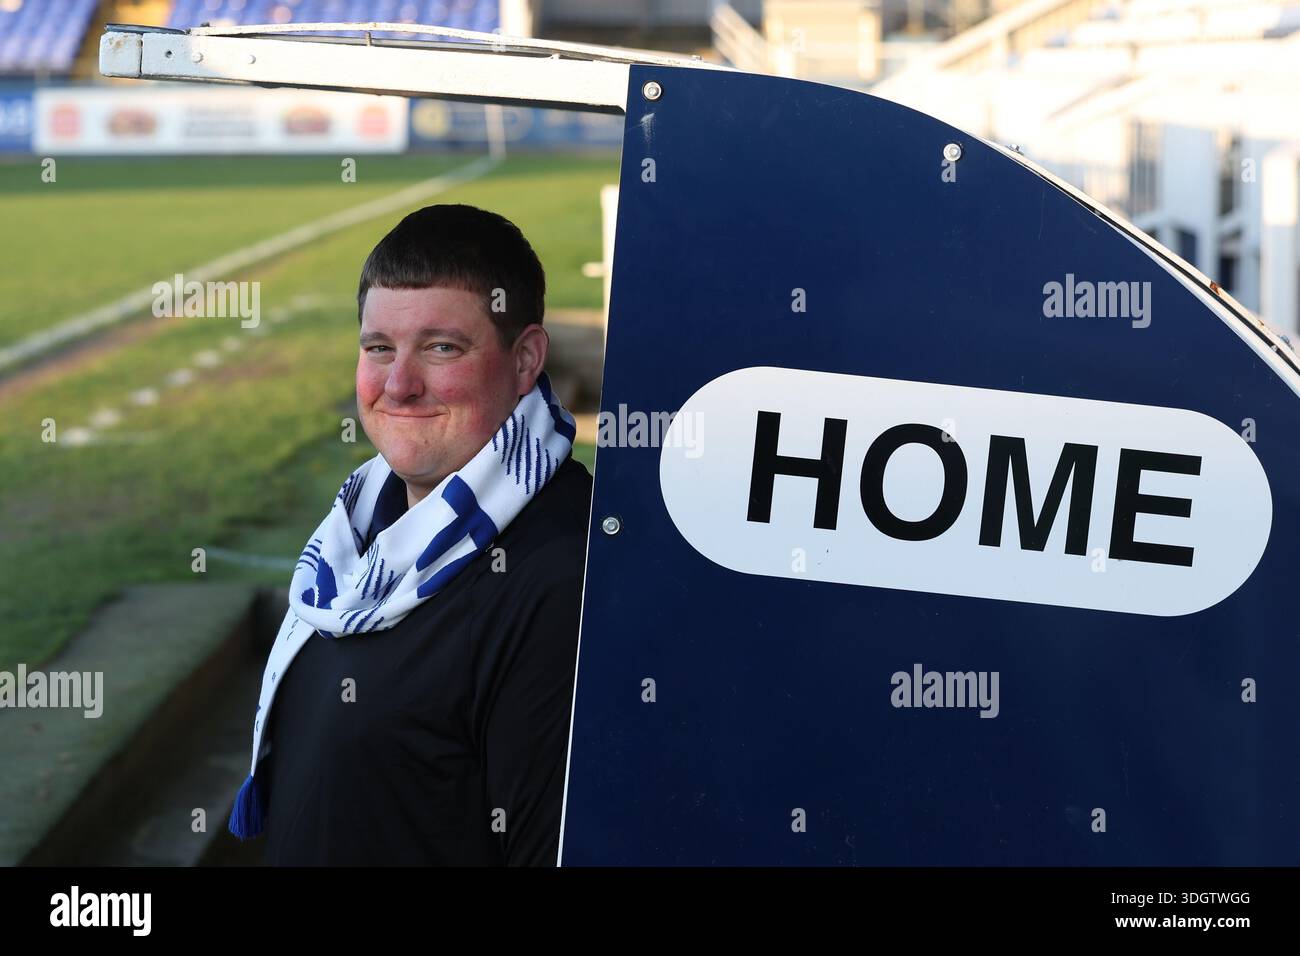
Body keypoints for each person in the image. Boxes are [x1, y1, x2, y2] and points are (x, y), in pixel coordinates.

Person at [227, 203, 593, 865]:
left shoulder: (560, 577)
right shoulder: (358, 531)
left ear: (525, 360)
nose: (399, 384)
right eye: (379, 349)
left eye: (441, 347)